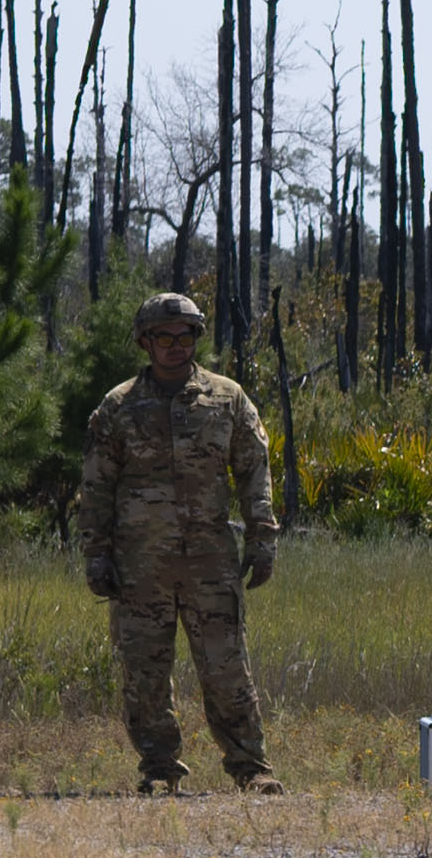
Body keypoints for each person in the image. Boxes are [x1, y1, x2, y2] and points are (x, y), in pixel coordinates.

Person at [75, 291, 282, 793]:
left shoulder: (227, 399)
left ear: (196, 338)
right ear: (145, 342)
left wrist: (262, 537)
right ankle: (160, 770)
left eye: (184, 336)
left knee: (227, 669)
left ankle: (251, 769)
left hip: (210, 563)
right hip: (139, 566)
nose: (175, 346)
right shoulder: (119, 407)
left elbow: (253, 470)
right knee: (144, 675)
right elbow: (96, 486)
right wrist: (96, 554)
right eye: (163, 337)